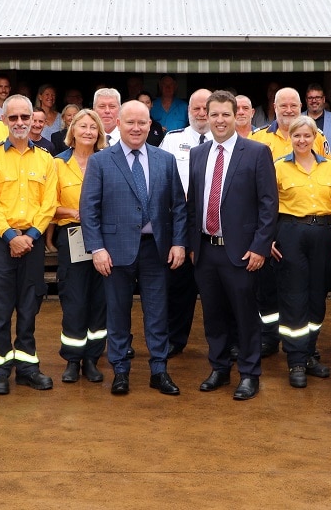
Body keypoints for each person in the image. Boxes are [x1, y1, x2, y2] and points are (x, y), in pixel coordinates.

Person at [80, 100, 187, 396]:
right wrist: (97, 248)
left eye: (143, 123)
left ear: (150, 125)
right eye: (130, 122)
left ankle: (159, 371)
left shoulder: (164, 159)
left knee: (157, 312)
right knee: (117, 313)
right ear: (117, 123)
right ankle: (121, 372)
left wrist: (179, 242)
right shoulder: (101, 161)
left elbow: (178, 206)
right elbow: (89, 209)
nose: (137, 128)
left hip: (156, 249)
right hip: (114, 252)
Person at [188, 91, 278, 400]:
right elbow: (192, 205)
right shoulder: (198, 155)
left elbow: (269, 204)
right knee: (213, 315)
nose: (220, 120)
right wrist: (190, 244)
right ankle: (219, 368)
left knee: (245, 316)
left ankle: (249, 374)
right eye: (214, 114)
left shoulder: (256, 152)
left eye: (226, 114)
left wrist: (260, 247)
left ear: (237, 115)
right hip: (205, 249)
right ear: (207, 117)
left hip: (242, 252)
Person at [0, 95, 59, 395]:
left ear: (32, 119)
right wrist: (12, 237)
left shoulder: (45, 159)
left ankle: (27, 368)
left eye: (24, 117)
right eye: (13, 118)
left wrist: (32, 236)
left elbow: (48, 203)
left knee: (29, 307)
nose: (20, 123)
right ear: (4, 121)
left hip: (33, 242)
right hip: (2, 242)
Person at [250, 86, 329, 357]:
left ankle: (304, 346)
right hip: (276, 226)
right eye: (283, 105)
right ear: (274, 107)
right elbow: (256, 191)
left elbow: (324, 176)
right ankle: (269, 338)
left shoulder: (318, 137)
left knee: (304, 289)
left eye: (293, 105)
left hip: (309, 227)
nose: (288, 110)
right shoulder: (258, 137)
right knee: (269, 289)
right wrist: (265, 234)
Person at [271, 116, 331, 388]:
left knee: (317, 296)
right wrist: (268, 239)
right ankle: (295, 359)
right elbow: (266, 206)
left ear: (316, 138)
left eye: (307, 135)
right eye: (296, 135)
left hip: (324, 234)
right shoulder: (278, 167)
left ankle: (310, 353)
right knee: (293, 296)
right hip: (290, 233)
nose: (302, 140)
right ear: (290, 138)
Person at [53, 109, 108, 384]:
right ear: (71, 131)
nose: (88, 131)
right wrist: (75, 211)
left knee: (100, 299)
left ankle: (92, 359)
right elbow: (48, 205)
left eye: (93, 127)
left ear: (99, 133)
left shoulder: (108, 162)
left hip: (104, 238)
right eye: (82, 126)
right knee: (74, 299)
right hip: (72, 235)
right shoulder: (57, 164)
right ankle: (73, 360)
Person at [160, 88, 212, 356]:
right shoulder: (172, 140)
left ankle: (225, 342)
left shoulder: (226, 141)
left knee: (218, 289)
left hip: (212, 227)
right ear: (188, 111)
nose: (202, 114)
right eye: (196, 109)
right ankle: (174, 340)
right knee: (179, 288)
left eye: (206, 109)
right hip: (179, 226)